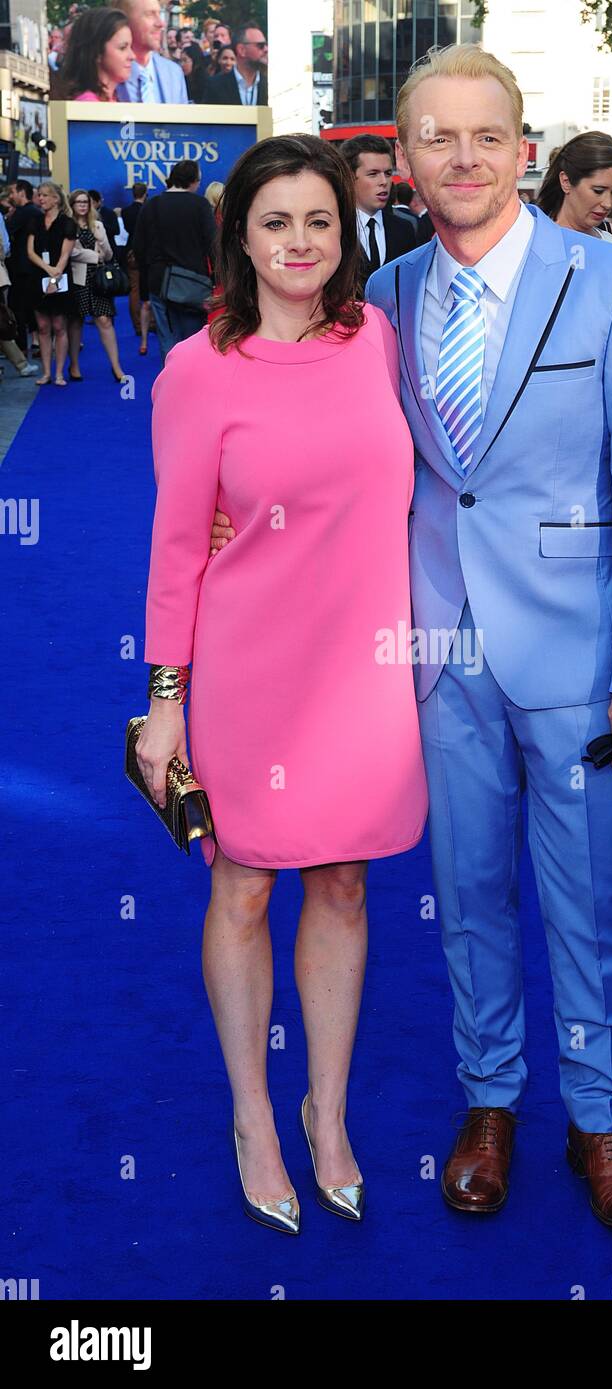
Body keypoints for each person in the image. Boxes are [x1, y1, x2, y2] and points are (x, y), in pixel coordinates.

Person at [211, 44, 612, 1231]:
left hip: (581, 662)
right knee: (465, 894)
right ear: (407, 159)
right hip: (429, 660)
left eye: (487, 136)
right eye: (438, 138)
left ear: (523, 150)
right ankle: (489, 1102)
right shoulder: (385, 299)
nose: (464, 158)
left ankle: (600, 1119)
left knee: (588, 901)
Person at [136, 133, 428, 1236]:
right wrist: (167, 700)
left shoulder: (377, 340)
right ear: (240, 238)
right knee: (247, 888)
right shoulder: (200, 370)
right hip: (250, 669)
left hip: (364, 668)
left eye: (319, 220)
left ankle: (330, 1111)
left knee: (346, 882)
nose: (300, 242)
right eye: (276, 222)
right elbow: (174, 549)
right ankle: (255, 1117)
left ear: (343, 230)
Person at [131, 158, 216, 363]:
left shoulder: (152, 205)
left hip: (159, 281)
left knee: (166, 337)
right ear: (194, 180)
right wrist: (216, 279)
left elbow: (138, 247)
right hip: (193, 282)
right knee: (193, 338)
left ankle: (171, 385)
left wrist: (149, 273)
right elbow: (212, 245)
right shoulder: (200, 205)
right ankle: (192, 385)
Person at [339, 134, 418, 292]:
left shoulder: (404, 229)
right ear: (349, 177)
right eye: (373, 174)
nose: (384, 181)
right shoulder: (335, 230)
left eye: (388, 173)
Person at [67, 189, 126, 383]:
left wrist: (102, 242)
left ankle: (117, 368)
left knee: (104, 321)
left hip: (99, 279)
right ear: (72, 205)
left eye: (86, 202)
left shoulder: (98, 225)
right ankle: (74, 365)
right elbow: (71, 253)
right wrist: (94, 256)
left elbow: (108, 255)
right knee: (76, 322)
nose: (83, 205)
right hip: (78, 279)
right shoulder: (68, 226)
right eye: (78, 202)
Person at [26, 181, 77, 386]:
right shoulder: (34, 221)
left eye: (45, 195)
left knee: (59, 325)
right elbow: (30, 251)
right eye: (39, 195)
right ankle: (46, 372)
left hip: (61, 278)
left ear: (56, 199)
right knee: (43, 326)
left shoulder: (67, 223)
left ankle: (59, 373)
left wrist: (55, 275)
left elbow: (66, 254)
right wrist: (48, 271)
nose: (41, 199)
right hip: (38, 277)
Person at [535, 132, 612, 241]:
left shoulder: (610, 243)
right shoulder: (531, 238)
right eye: (598, 191)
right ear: (566, 181)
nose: (608, 204)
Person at [114, 0, 189, 103]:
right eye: (150, 14)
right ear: (125, 21)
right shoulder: (108, 74)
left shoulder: (174, 73)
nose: (161, 24)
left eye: (159, 14)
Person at [61, 7, 134, 101]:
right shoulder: (87, 104)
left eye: (131, 47)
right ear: (97, 51)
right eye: (122, 48)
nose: (132, 56)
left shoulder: (115, 98)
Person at [6, 180, 42, 358]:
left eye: (12, 192)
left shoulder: (23, 213)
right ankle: (33, 342)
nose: (10, 196)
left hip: (21, 268)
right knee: (31, 306)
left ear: (21, 192)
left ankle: (21, 346)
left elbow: (5, 234)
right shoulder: (34, 212)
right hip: (31, 267)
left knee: (17, 307)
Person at [120, 182, 151, 351]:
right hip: (145, 252)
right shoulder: (147, 210)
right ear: (145, 193)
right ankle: (149, 323)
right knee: (148, 289)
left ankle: (138, 325)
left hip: (130, 250)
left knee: (134, 289)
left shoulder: (126, 212)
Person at [205, 24, 268, 105]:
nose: (266, 49)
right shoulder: (215, 86)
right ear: (241, 50)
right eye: (261, 46)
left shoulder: (271, 85)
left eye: (266, 44)